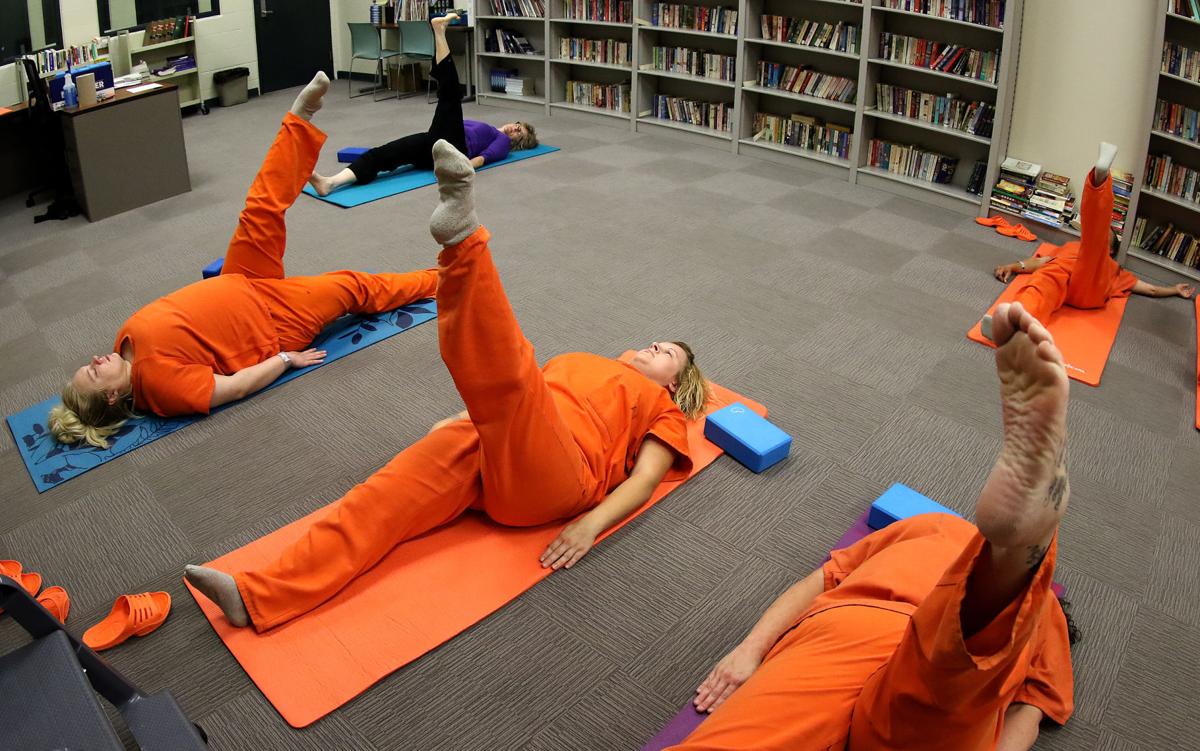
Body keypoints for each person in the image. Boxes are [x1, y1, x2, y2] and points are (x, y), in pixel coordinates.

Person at [184, 139, 710, 632]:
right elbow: (519, 403)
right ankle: (257, 595)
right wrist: (465, 420)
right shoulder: (587, 361)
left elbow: (640, 480)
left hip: (557, 476)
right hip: (493, 442)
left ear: (676, 383)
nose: (656, 348)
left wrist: (590, 525)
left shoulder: (659, 409)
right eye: (658, 341)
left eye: (669, 356)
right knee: (379, 498)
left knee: (514, 375)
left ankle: (463, 246)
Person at [673, 300, 1077, 751]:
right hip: (924, 659)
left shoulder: (929, 526)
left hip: (851, 631)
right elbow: (1029, 712)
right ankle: (1004, 566)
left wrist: (753, 648)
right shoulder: (1041, 610)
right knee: (955, 686)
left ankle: (1002, 567)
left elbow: (820, 581)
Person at [48, 72, 439, 449]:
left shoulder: (124, 342)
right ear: (114, 396)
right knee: (354, 286)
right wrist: (285, 358)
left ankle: (300, 121)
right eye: (95, 371)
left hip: (240, 278)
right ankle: (443, 278)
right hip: (274, 321)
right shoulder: (161, 389)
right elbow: (233, 388)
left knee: (260, 207)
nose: (97, 358)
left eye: (90, 363)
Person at [307, 14, 538, 197]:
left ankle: (438, 31)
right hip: (434, 142)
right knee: (384, 154)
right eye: (517, 125)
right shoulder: (491, 129)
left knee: (451, 95)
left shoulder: (502, 144)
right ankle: (330, 183)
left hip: (453, 149)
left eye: (519, 133)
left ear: (518, 142)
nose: (514, 129)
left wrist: (454, 170)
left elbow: (480, 160)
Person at [985, 143, 1193, 338]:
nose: (1104, 237)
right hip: (1064, 282)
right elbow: (1040, 263)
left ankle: (1098, 181)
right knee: (1044, 279)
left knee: (1094, 240)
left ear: (1111, 251)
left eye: (1108, 239)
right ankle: (1014, 323)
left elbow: (1151, 289)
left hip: (1090, 286)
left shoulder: (1111, 267)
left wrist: (1174, 290)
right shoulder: (1069, 247)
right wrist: (1012, 266)